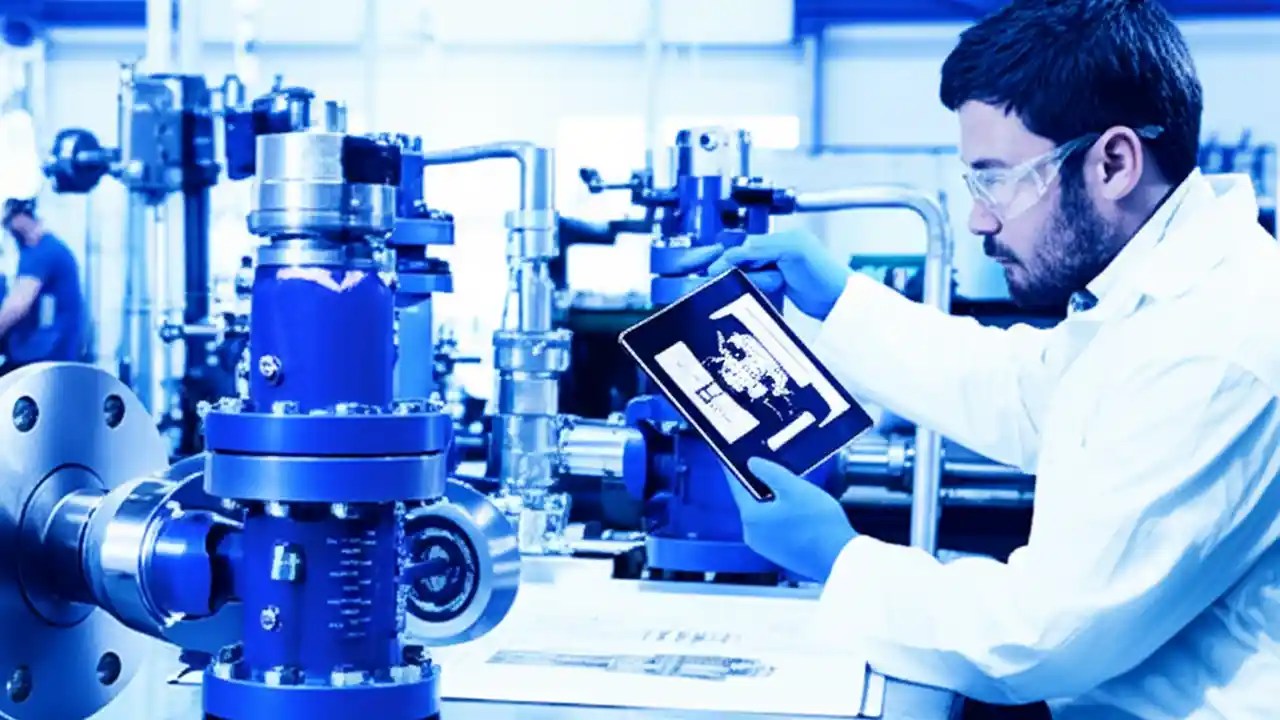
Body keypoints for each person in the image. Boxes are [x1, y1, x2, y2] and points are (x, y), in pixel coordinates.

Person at [682, 1, 1280, 718]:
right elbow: (1025, 393)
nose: (979, 219)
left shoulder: (1220, 342)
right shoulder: (1158, 295)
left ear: (1114, 163)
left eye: (997, 178)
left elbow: (1042, 636)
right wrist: (838, 301)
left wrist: (837, 557)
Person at [0, 198, 85, 374]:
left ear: (20, 215)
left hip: (43, 362)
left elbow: (17, 306)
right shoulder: (42, 249)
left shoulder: (41, 252)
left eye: (7, 221)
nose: (7, 229)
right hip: (45, 359)